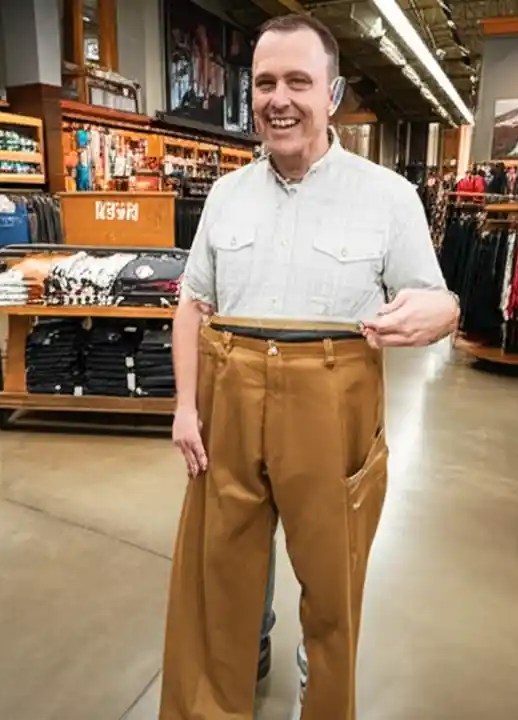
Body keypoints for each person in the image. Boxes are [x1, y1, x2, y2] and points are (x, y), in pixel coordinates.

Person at [160, 13, 459, 720]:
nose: (279, 98)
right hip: (228, 394)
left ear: (333, 93)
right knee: (218, 574)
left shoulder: (389, 198)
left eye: (299, 80)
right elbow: (191, 305)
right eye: (265, 83)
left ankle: (321, 704)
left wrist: (438, 315)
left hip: (332, 400)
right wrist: (183, 405)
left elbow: (441, 298)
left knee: (332, 582)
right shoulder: (227, 194)